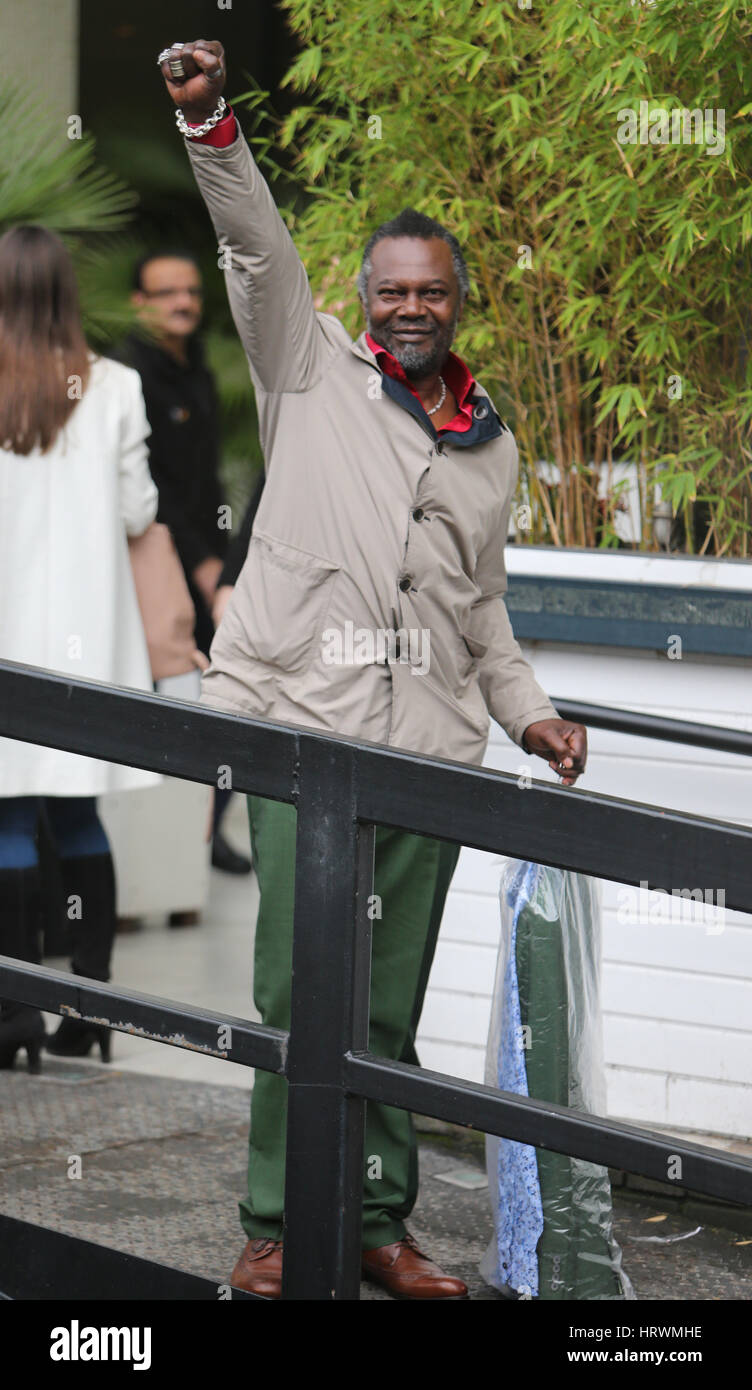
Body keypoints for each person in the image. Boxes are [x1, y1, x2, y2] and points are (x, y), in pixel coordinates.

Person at [158, 39, 588, 1300]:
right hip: (302, 728)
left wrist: (531, 716)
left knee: (386, 1003)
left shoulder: (492, 445)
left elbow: (482, 610)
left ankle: (380, 1223)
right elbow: (252, 245)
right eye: (391, 289)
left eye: (432, 293)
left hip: (425, 750)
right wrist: (209, 123)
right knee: (299, 989)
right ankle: (278, 1223)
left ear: (458, 302)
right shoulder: (306, 363)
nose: (410, 307)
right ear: (363, 294)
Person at [0, 224, 159, 1066]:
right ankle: (88, 1006)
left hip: (6, 645)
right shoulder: (119, 387)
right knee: (79, 813)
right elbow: (138, 513)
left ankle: (14, 1015)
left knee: (10, 817)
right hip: (86, 648)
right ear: (68, 291)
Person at [116, 249, 250, 876]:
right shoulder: (126, 375)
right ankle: (154, 850)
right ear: (139, 303)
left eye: (192, 292)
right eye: (167, 292)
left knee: (222, 696)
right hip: (154, 567)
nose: (183, 303)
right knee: (161, 701)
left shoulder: (195, 369)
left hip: (204, 560)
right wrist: (202, 567)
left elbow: (204, 483)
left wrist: (224, 565)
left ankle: (206, 830)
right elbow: (152, 488)